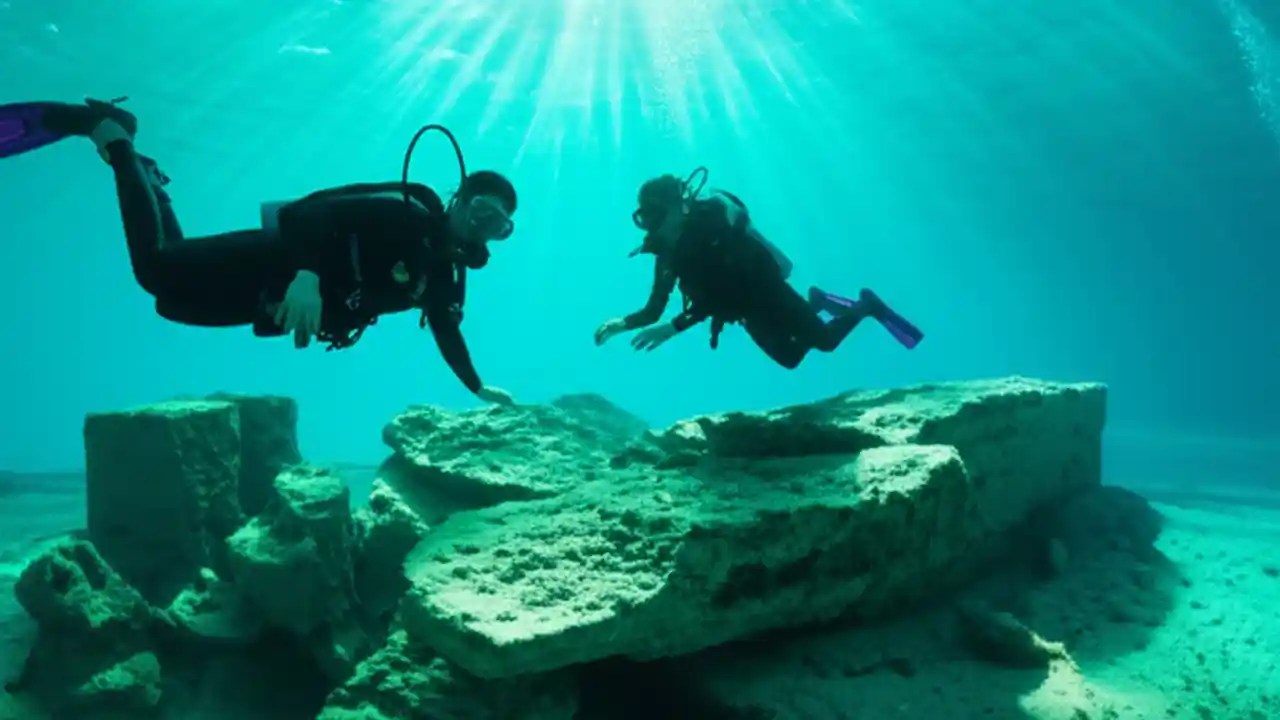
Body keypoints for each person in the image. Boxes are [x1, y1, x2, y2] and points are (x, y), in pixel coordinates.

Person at [0, 97, 517, 404]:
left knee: (171, 304)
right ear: (459, 197)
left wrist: (477, 387)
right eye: (481, 211)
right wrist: (308, 277)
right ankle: (113, 138)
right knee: (156, 271)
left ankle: (150, 177)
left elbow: (447, 331)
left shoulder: (447, 276)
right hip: (276, 260)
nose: (483, 228)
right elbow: (306, 214)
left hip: (279, 302)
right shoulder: (408, 210)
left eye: (498, 226)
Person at [594, 169, 923, 368]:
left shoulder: (711, 231)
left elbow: (726, 290)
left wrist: (674, 327)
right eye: (644, 219)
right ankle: (818, 301)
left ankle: (866, 305)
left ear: (679, 208)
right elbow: (655, 308)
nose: (651, 228)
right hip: (743, 309)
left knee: (824, 341)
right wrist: (622, 324)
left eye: (656, 216)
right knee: (791, 358)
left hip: (765, 289)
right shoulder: (667, 249)